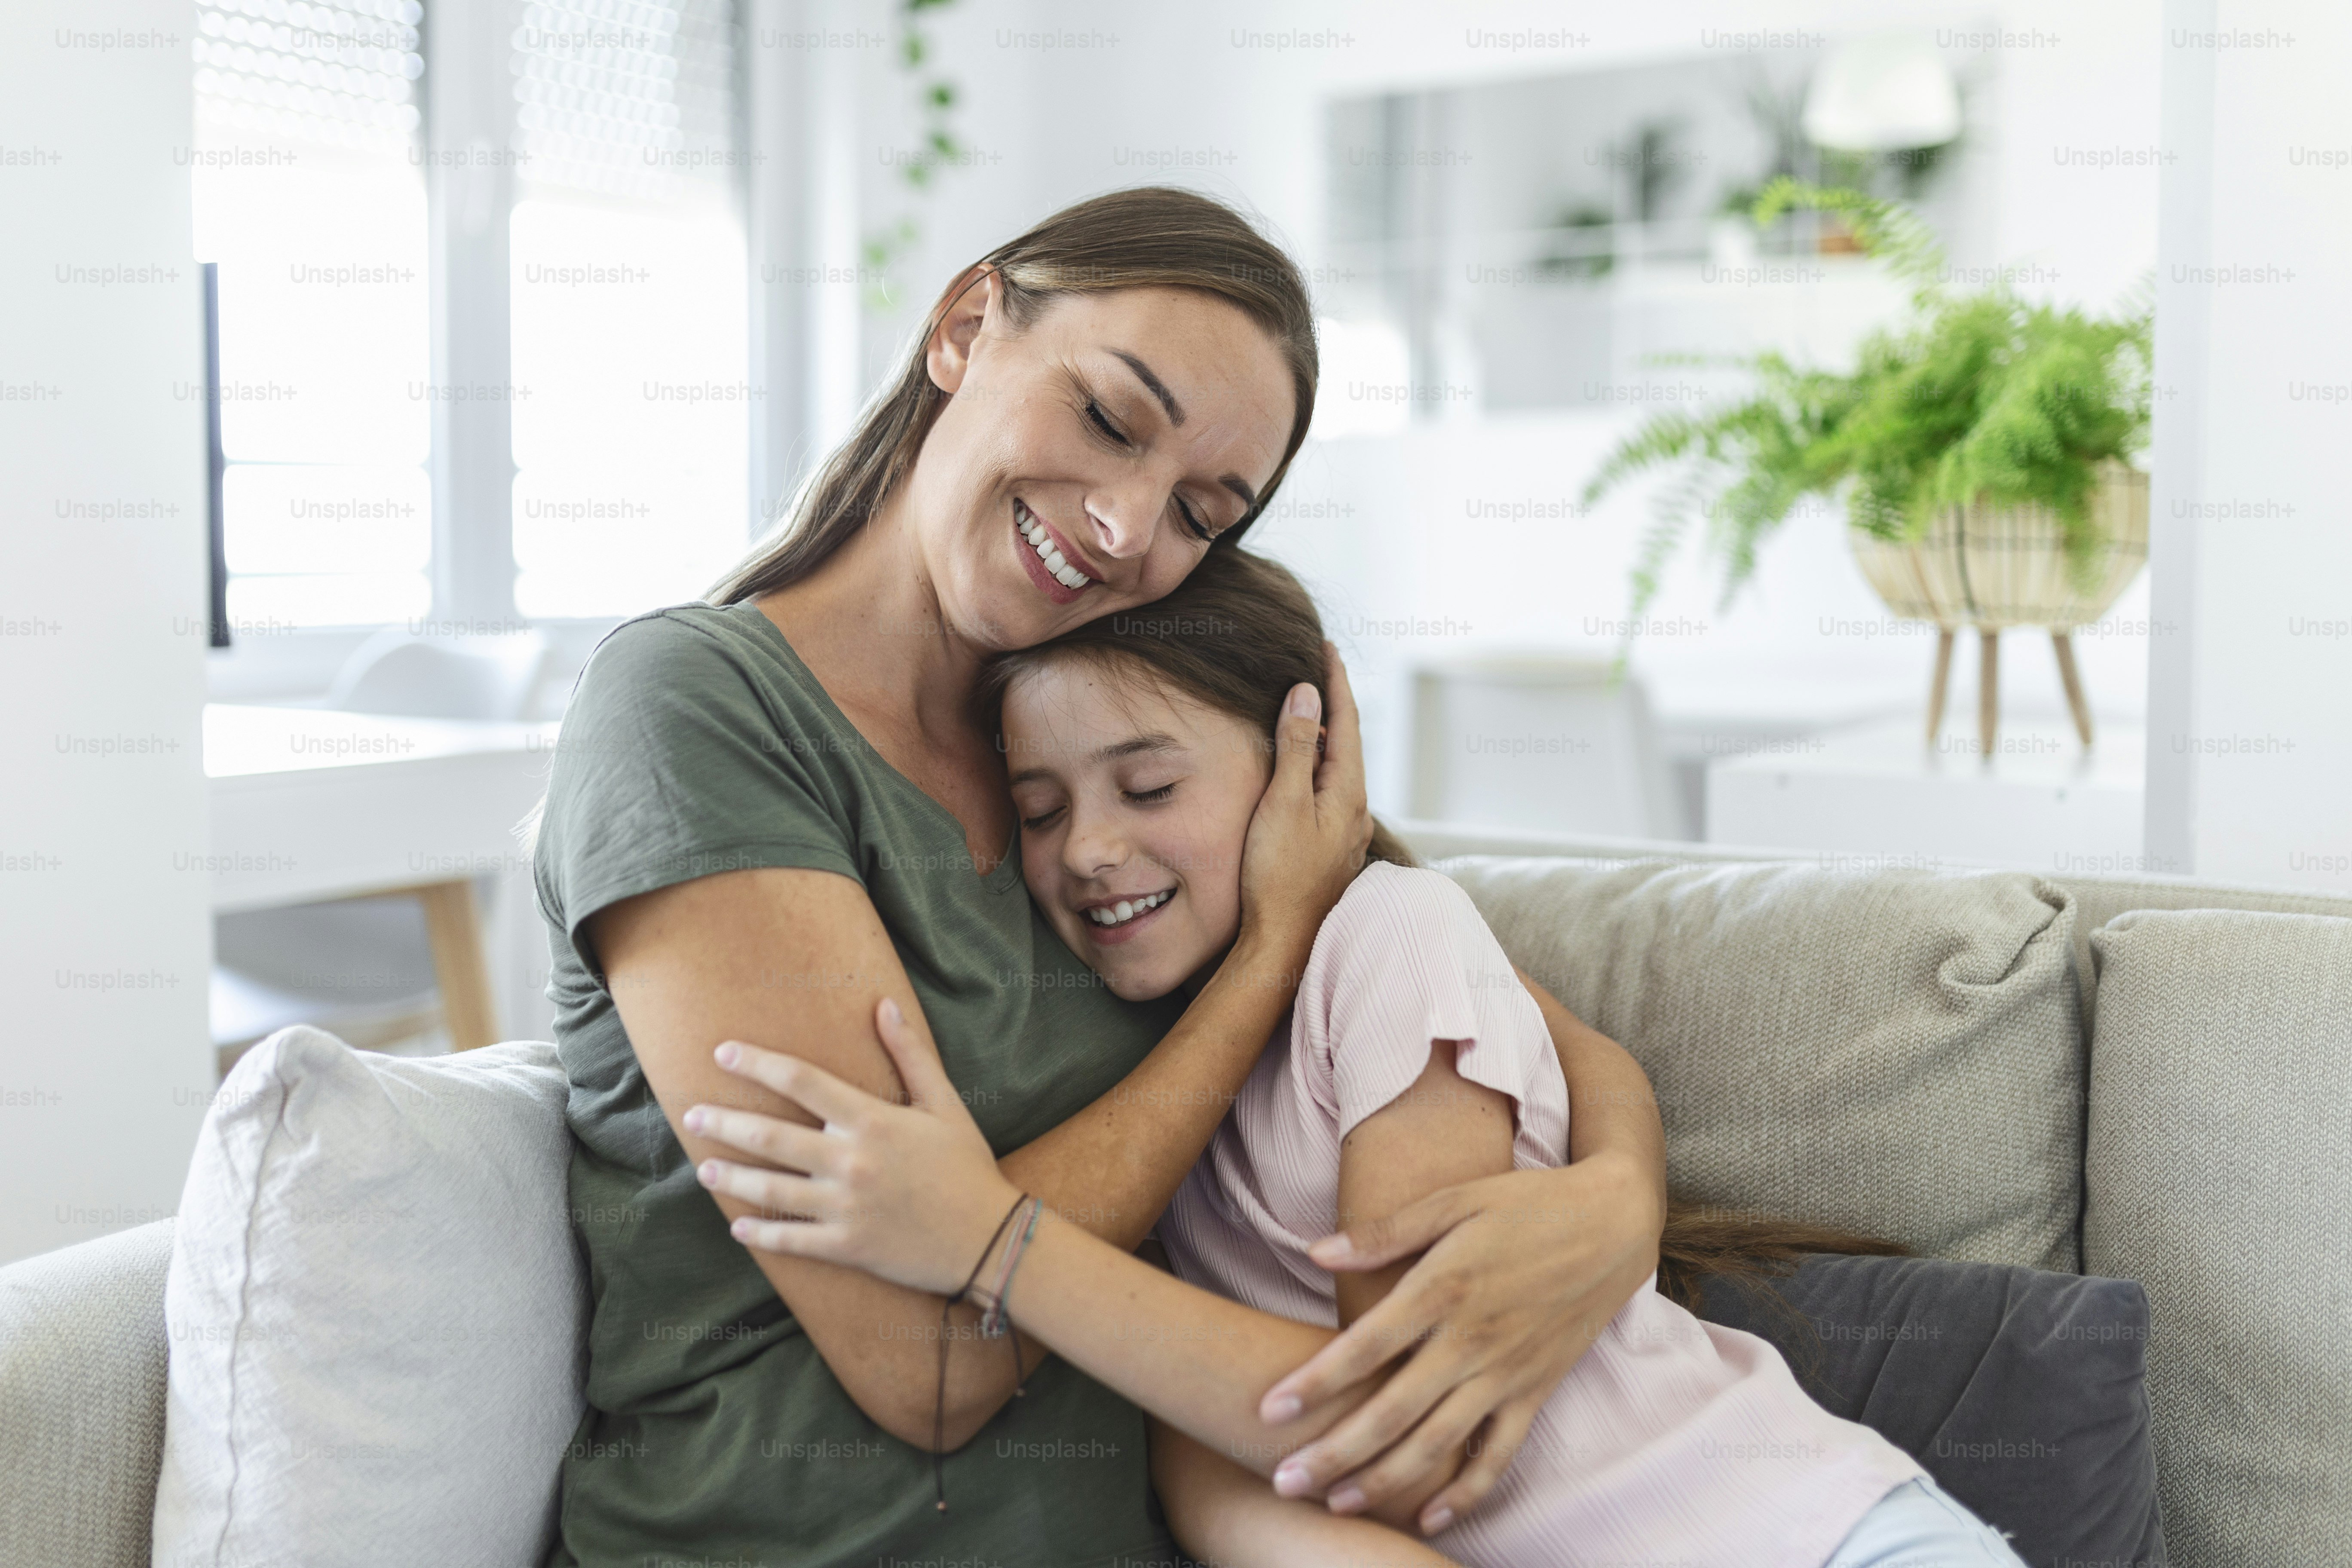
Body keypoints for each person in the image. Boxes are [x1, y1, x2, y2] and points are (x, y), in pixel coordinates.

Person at [531, 186, 1672, 1567]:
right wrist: (1262, 961)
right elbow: (926, 1362)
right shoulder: (695, 710)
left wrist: (1619, 1202)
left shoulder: (1105, 745)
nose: (1131, 531)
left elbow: (1479, 988)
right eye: (1110, 419)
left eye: (1203, 511)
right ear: (967, 327)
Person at [691, 546, 2036, 1568]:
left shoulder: (1391, 938)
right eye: (1040, 812)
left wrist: (996, 1243)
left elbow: (1408, 1428)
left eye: (1149, 788)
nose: (1091, 848)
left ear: (1307, 766)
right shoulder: (1139, 1070)